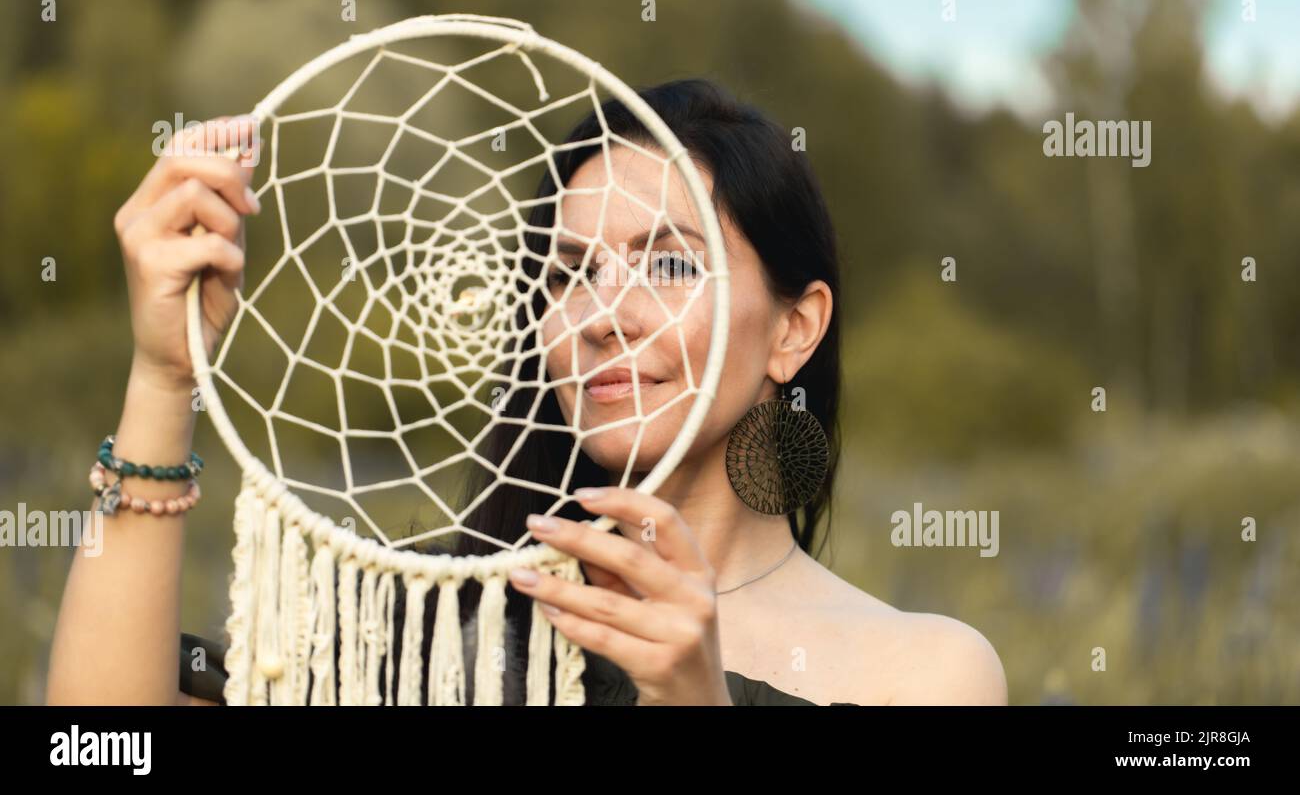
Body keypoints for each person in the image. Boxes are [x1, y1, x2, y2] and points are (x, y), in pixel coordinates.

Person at [46, 78, 1007, 706]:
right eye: (570, 272)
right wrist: (165, 374)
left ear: (795, 329)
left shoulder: (924, 673)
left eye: (669, 265)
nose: (604, 314)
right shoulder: (419, 622)